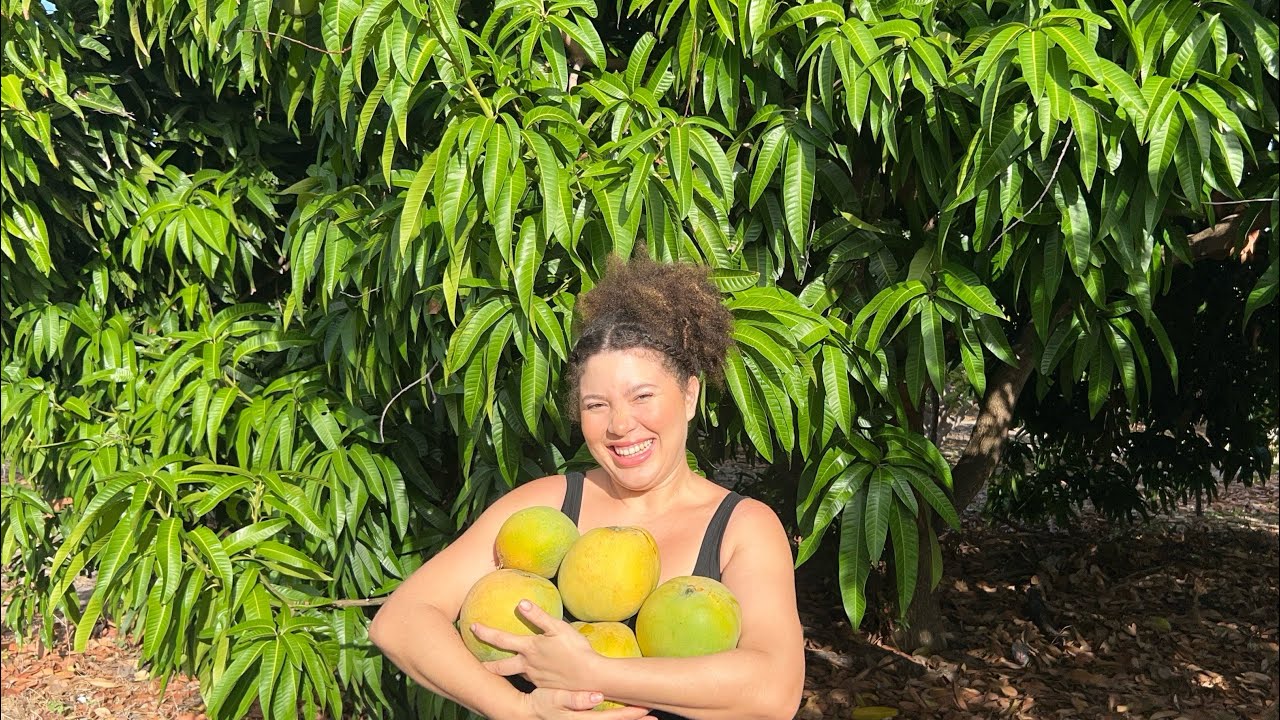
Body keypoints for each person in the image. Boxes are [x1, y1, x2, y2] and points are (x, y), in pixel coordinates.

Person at [369, 257, 805, 720]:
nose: (620, 425)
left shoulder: (744, 528)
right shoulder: (548, 503)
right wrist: (519, 710)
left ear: (690, 395)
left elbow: (774, 692)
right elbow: (400, 622)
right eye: (597, 404)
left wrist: (593, 672)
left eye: (643, 396)